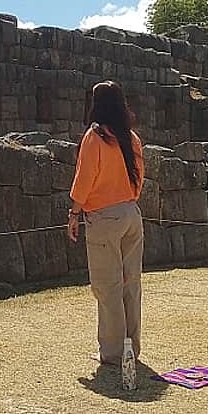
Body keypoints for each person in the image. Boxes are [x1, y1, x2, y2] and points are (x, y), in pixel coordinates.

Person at [67, 81, 145, 366]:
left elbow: (85, 178)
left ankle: (113, 351)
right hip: (131, 213)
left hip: (104, 216)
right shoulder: (131, 138)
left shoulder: (95, 136)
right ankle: (131, 348)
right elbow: (139, 176)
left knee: (107, 286)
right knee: (130, 284)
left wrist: (74, 213)